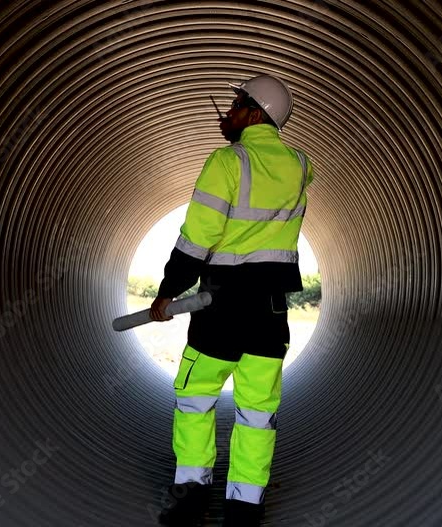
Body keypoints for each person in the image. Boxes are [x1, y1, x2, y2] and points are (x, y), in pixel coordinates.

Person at [150, 74, 313, 526]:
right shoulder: (301, 164)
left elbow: (197, 237)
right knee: (258, 411)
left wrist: (168, 291)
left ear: (256, 113)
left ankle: (191, 500)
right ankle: (244, 507)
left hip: (219, 304)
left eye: (238, 103)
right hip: (270, 310)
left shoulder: (226, 162)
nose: (229, 111)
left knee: (195, 397)